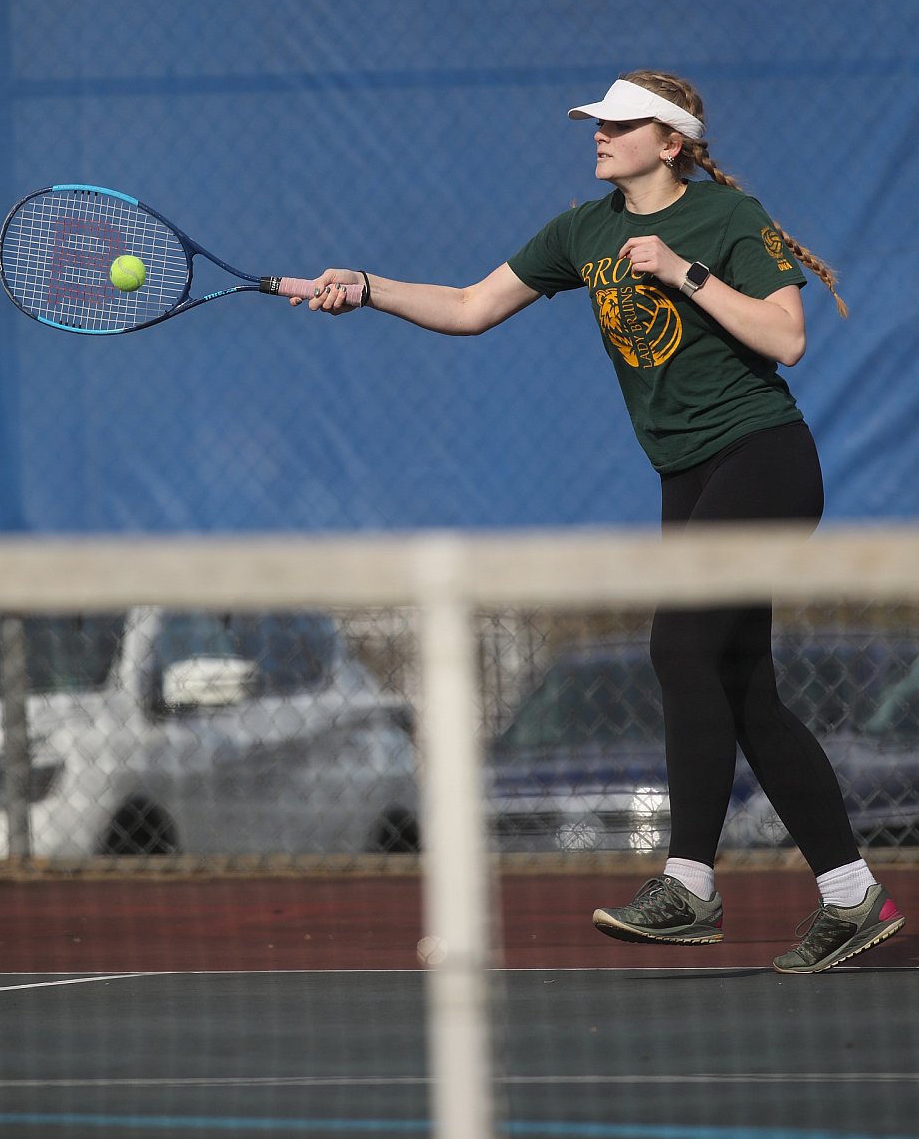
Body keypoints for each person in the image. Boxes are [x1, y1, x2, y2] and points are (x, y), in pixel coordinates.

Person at [299, 68, 904, 974]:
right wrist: (367, 284)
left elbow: (787, 339)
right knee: (744, 692)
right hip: (686, 480)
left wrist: (683, 271)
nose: (600, 133)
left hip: (764, 463)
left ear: (671, 144)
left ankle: (689, 887)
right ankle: (853, 897)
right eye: (599, 122)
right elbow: (469, 307)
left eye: (621, 124)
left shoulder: (727, 219)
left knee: (680, 648)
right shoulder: (583, 231)